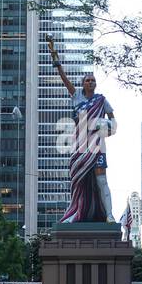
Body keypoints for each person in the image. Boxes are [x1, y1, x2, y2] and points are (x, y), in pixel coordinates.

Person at [47, 34, 115, 223]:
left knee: (102, 180)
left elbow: (114, 122)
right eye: (88, 80)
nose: (91, 83)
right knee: (78, 179)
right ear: (83, 83)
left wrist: (107, 126)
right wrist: (55, 58)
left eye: (93, 80)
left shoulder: (101, 100)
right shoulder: (76, 96)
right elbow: (63, 78)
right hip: (80, 144)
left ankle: (109, 215)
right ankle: (77, 212)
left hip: (98, 145)